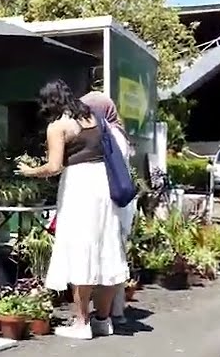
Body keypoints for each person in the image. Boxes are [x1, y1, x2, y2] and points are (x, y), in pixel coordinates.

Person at [18, 80, 129, 339]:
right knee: (107, 250)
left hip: (80, 188)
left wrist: (30, 171)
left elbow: (54, 166)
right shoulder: (94, 117)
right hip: (105, 186)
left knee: (82, 250)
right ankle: (103, 320)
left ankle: (81, 323)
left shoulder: (58, 126)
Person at [80, 90, 137, 325]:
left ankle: (111, 312)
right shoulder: (119, 132)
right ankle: (116, 310)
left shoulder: (107, 133)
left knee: (109, 255)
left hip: (111, 201)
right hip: (121, 201)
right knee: (116, 253)